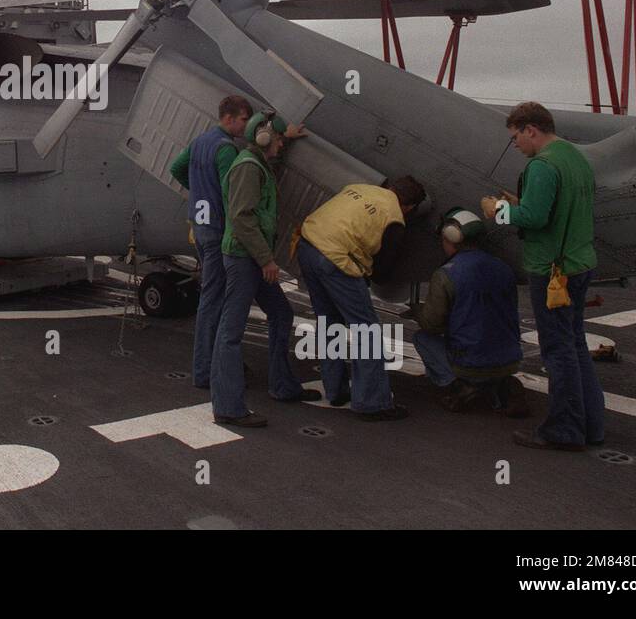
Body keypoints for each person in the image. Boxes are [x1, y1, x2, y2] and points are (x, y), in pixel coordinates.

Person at [481, 101, 602, 452]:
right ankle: (591, 425)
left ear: (530, 129)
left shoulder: (541, 165)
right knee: (576, 344)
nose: (515, 144)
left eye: (516, 137)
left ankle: (564, 429)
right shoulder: (574, 157)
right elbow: (559, 204)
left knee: (558, 350)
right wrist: (524, 201)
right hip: (580, 262)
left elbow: (534, 219)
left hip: (553, 270)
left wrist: (499, 211)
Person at [210, 110, 316, 427]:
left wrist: (288, 135)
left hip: (252, 258)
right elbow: (242, 218)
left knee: (281, 313)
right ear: (264, 139)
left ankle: (282, 385)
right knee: (231, 332)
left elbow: (270, 173)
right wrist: (266, 260)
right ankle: (228, 407)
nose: (281, 146)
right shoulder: (247, 168)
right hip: (245, 259)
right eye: (279, 140)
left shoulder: (258, 164)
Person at [295, 175, 426, 421]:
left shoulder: (356, 187)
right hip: (336, 259)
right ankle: (372, 402)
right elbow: (382, 273)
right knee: (366, 329)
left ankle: (335, 390)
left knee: (329, 322)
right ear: (409, 207)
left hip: (307, 246)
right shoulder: (395, 220)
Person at [169, 95, 253, 389]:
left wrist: (199, 191)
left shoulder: (201, 141)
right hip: (218, 233)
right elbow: (234, 196)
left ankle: (213, 364)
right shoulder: (226, 149)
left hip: (200, 230)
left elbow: (176, 169)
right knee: (213, 301)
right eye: (244, 119)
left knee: (211, 297)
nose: (246, 125)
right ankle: (206, 370)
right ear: (229, 117)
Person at [411, 208, 528, 417]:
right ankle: (501, 384)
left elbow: (431, 324)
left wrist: (418, 311)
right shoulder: (503, 268)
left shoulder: (446, 274)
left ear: (450, 238)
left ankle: (461, 385)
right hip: (509, 358)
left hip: (470, 360)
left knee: (422, 338)